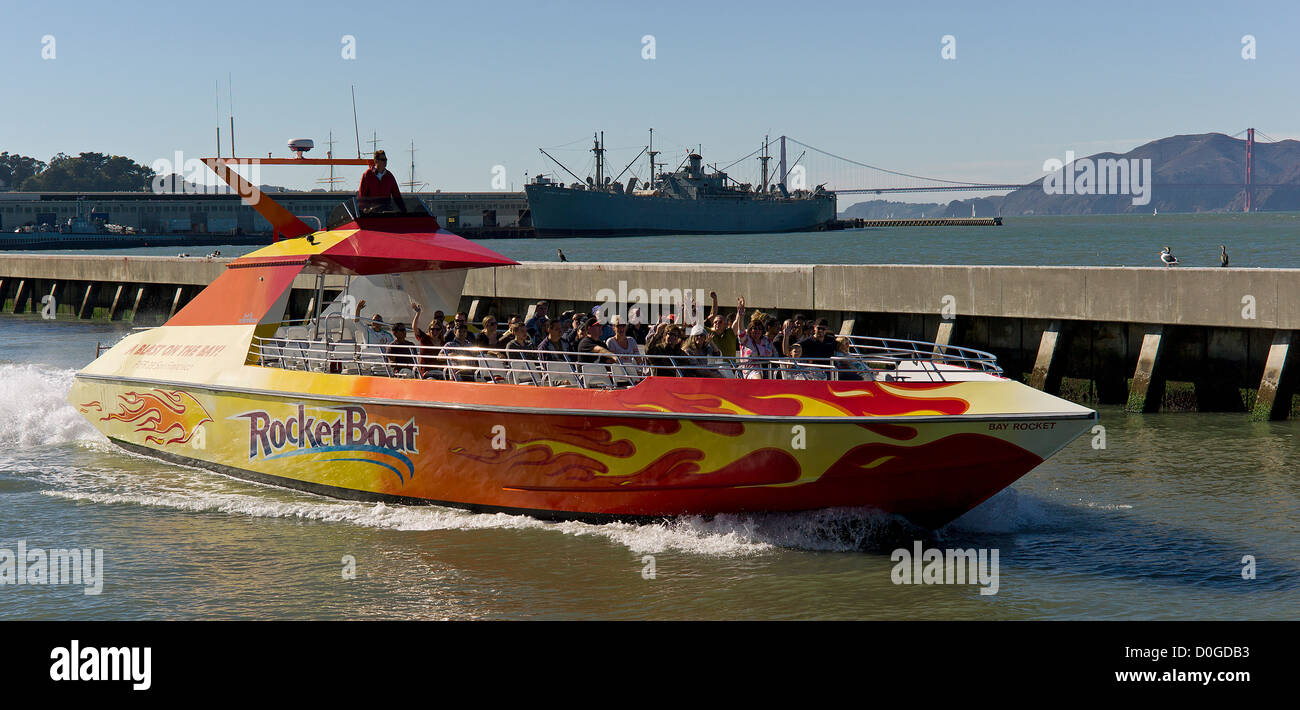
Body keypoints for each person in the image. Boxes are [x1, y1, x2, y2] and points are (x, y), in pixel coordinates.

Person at [410, 300, 446, 378]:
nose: (435, 331)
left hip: (440, 372)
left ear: (441, 331)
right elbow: (414, 328)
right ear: (429, 330)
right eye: (432, 329)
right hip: (426, 373)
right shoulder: (424, 338)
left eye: (437, 329)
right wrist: (418, 313)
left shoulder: (443, 343)